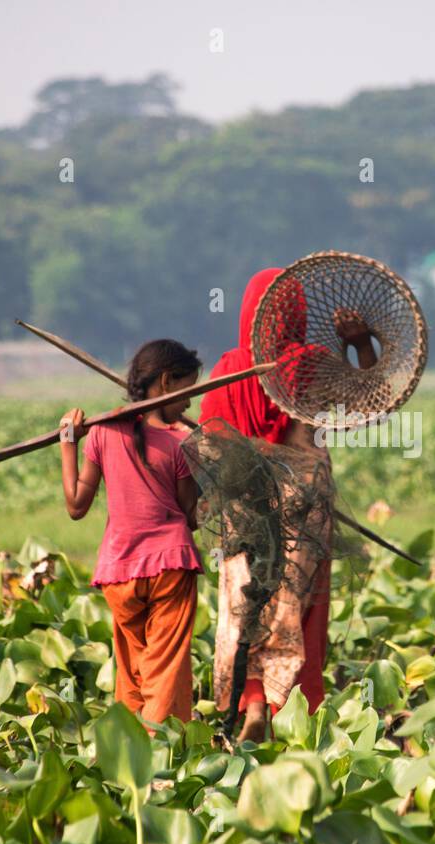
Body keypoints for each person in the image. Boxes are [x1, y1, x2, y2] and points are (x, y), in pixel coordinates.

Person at [200, 267, 378, 741]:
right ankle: (290, 706)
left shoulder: (226, 370)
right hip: (306, 507)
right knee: (299, 609)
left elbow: (211, 443)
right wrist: (360, 344)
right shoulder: (312, 363)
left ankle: (253, 701)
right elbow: (365, 398)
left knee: (246, 606)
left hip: (243, 507)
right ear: (296, 312)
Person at [58, 339, 203, 728]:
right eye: (188, 390)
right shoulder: (181, 442)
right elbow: (192, 517)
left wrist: (68, 443)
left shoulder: (103, 432)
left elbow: (76, 507)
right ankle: (159, 756)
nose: (190, 404)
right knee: (165, 669)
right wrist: (213, 473)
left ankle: (128, 746)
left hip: (119, 573)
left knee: (134, 667)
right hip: (170, 567)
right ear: (167, 382)